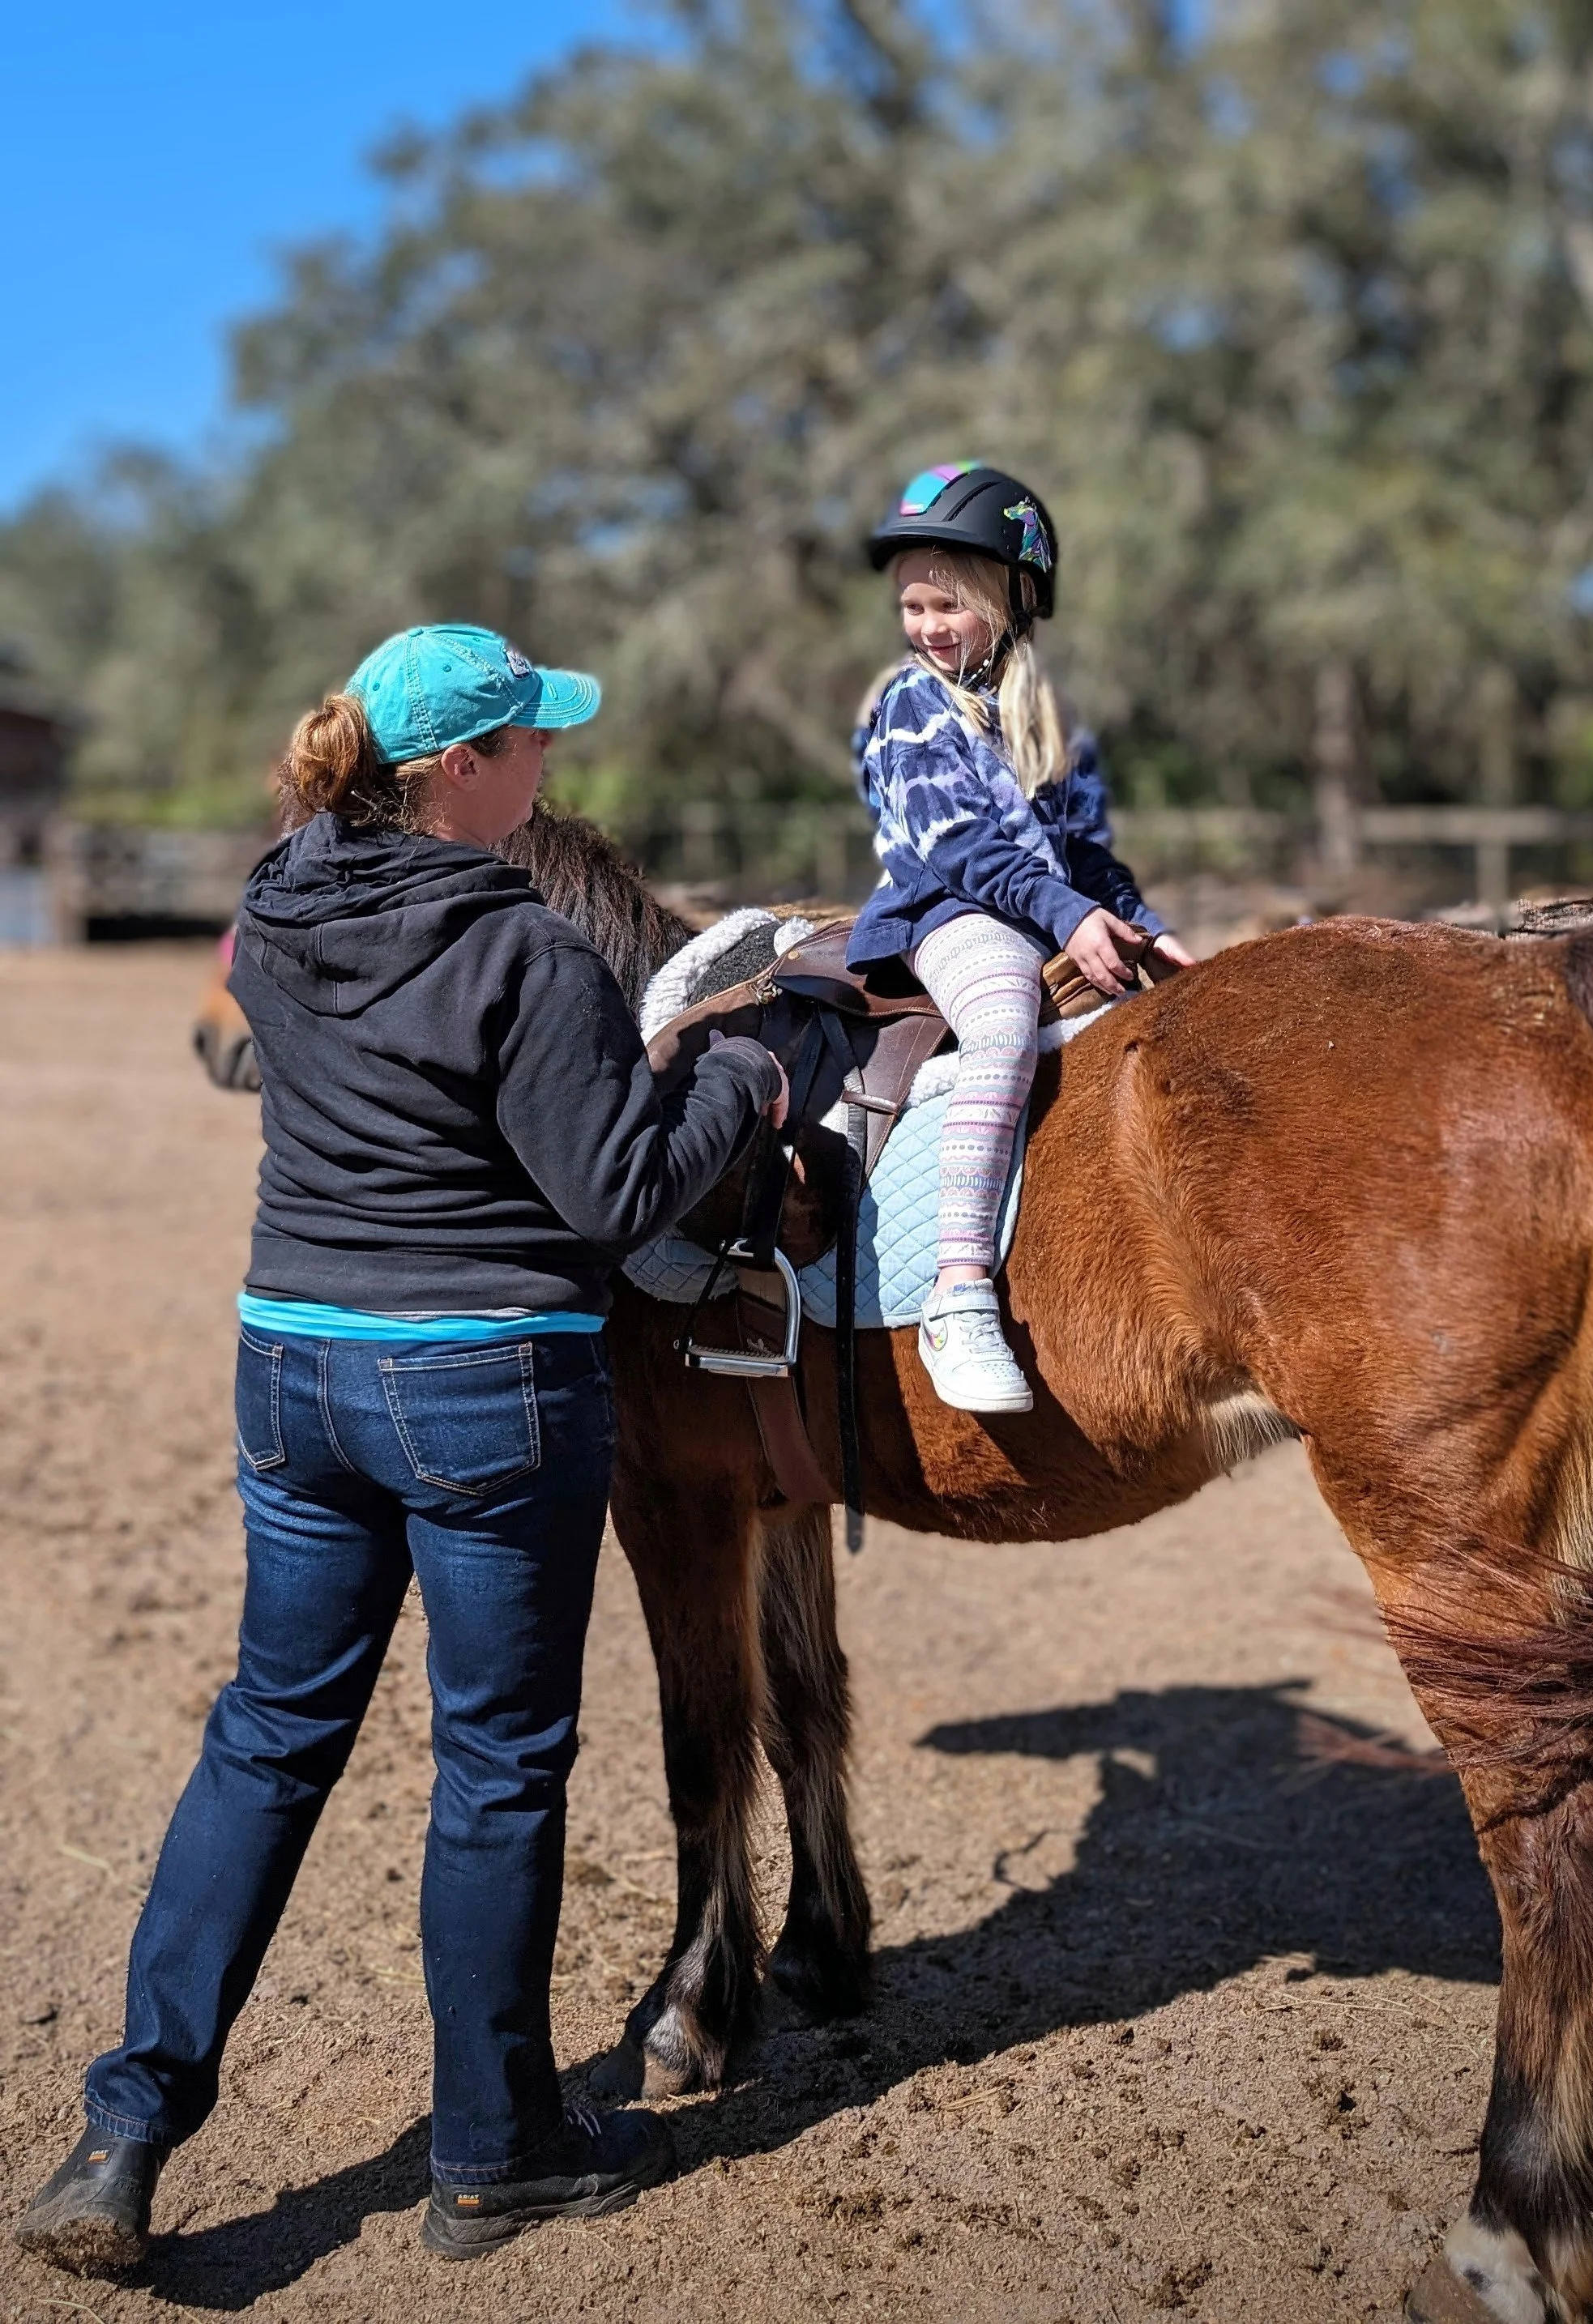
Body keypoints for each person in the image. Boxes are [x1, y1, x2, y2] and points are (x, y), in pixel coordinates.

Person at [15, 624, 786, 2274]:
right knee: (497, 1767)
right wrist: (730, 1073)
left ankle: (125, 2130)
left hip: (293, 1365)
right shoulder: (525, 947)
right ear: (458, 773)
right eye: (527, 744)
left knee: (268, 1736)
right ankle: (496, 2151)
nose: (546, 769)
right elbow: (624, 1195)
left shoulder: (282, 904)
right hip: (483, 1391)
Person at [849, 463, 1193, 1415]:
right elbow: (957, 845)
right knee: (1004, 1019)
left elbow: (1087, 851)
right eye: (912, 607)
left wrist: (1141, 929)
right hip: (949, 910)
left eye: (946, 605)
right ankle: (956, 1289)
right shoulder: (908, 706)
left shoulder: (1050, 714)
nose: (926, 627)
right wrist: (1064, 915)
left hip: (1041, 904)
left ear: (1012, 597)